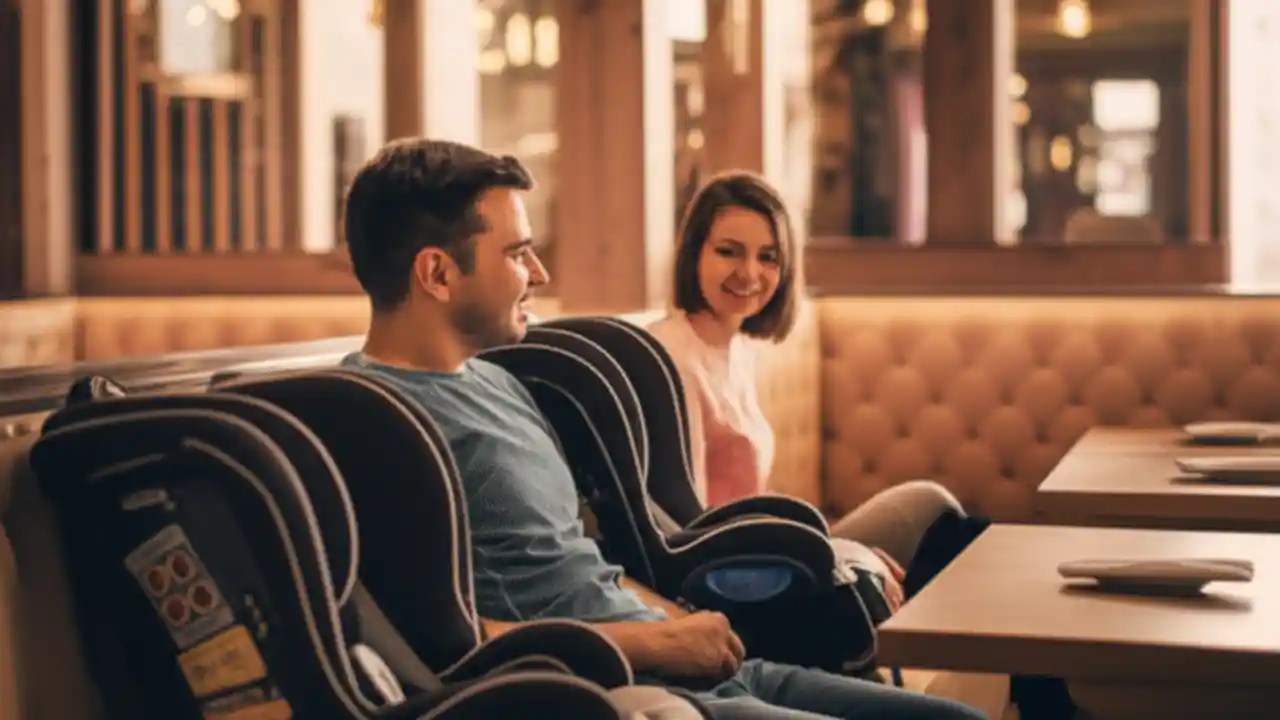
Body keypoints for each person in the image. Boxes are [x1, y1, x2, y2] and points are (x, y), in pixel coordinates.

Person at [337, 138, 986, 720]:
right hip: (622, 689)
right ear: (437, 273)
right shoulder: (375, 420)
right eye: (517, 252)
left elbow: (584, 564)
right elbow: (442, 641)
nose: (539, 273)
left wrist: (688, 627)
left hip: (697, 664)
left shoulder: (498, 381)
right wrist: (658, 643)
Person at [645, 171, 971, 607]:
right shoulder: (669, 356)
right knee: (943, 526)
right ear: (693, 254)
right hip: (738, 578)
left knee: (935, 510)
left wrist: (829, 542)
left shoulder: (736, 349)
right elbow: (692, 529)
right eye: (728, 252)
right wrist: (837, 552)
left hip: (771, 551)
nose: (750, 273)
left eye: (768, 257)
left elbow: (749, 498)